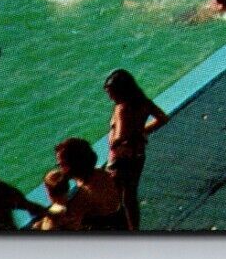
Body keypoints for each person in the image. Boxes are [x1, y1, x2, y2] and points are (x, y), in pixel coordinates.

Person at [103, 69, 167, 231]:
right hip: (138, 155)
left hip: (120, 160)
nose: (110, 97)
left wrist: (113, 143)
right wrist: (142, 131)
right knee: (130, 198)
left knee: (112, 199)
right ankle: (134, 230)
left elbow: (120, 136)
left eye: (111, 93)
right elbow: (162, 118)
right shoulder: (143, 102)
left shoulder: (122, 108)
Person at [41, 137, 128, 231]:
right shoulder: (102, 174)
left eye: (61, 165)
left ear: (73, 164)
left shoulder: (83, 196)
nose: (60, 169)